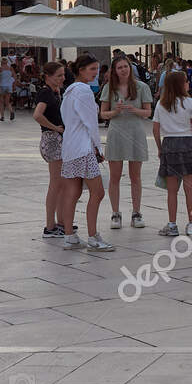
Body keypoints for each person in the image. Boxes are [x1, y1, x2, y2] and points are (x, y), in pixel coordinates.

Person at [57, 55, 112, 250]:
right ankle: (93, 236)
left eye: (97, 69)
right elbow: (91, 123)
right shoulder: (84, 91)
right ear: (81, 70)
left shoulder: (69, 91)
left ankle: (69, 236)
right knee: (98, 192)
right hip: (83, 147)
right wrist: (98, 147)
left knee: (73, 192)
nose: (96, 72)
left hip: (70, 147)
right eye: (92, 69)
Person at [101, 56, 153, 231]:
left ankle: (136, 212)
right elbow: (102, 114)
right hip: (116, 132)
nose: (123, 70)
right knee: (115, 176)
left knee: (135, 176)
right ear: (114, 70)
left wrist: (134, 110)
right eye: (119, 67)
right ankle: (115, 213)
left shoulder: (142, 87)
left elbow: (148, 112)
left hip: (135, 132)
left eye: (125, 66)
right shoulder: (109, 88)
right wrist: (115, 111)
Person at [153, 68, 192, 236]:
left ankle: (172, 224)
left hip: (169, 144)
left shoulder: (161, 103)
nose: (188, 83)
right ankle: (191, 224)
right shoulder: (190, 102)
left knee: (172, 190)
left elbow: (155, 129)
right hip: (187, 142)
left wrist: (160, 148)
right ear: (181, 85)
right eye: (186, 81)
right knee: (190, 188)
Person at [33, 62, 69, 239]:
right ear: (48, 76)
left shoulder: (56, 92)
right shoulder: (46, 92)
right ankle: (50, 226)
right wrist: (55, 127)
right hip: (52, 140)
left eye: (63, 75)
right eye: (59, 76)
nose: (62, 78)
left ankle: (61, 222)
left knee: (61, 184)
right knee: (56, 183)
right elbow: (37, 115)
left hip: (57, 139)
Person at [0, 53, 16, 122]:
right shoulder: (10, 68)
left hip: (2, 86)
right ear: (7, 62)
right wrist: (13, 84)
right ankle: (11, 111)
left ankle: (2, 117)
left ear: (1, 62)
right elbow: (14, 77)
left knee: (1, 102)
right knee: (7, 101)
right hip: (9, 86)